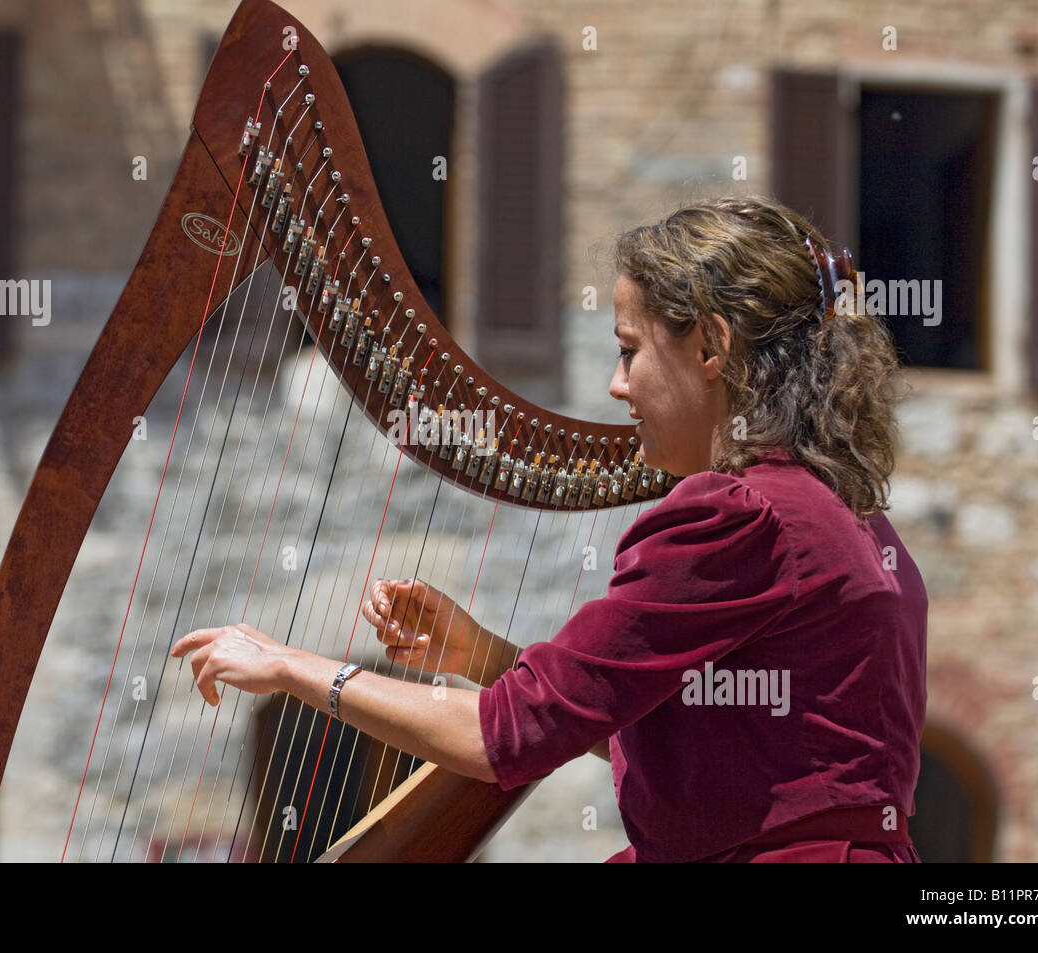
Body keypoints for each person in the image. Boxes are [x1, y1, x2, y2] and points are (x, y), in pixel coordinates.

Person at [171, 195, 928, 863]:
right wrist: (487, 654)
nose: (616, 383)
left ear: (710, 347)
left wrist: (286, 667)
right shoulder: (852, 517)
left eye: (631, 351)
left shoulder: (733, 518)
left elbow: (502, 739)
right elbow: (688, 734)